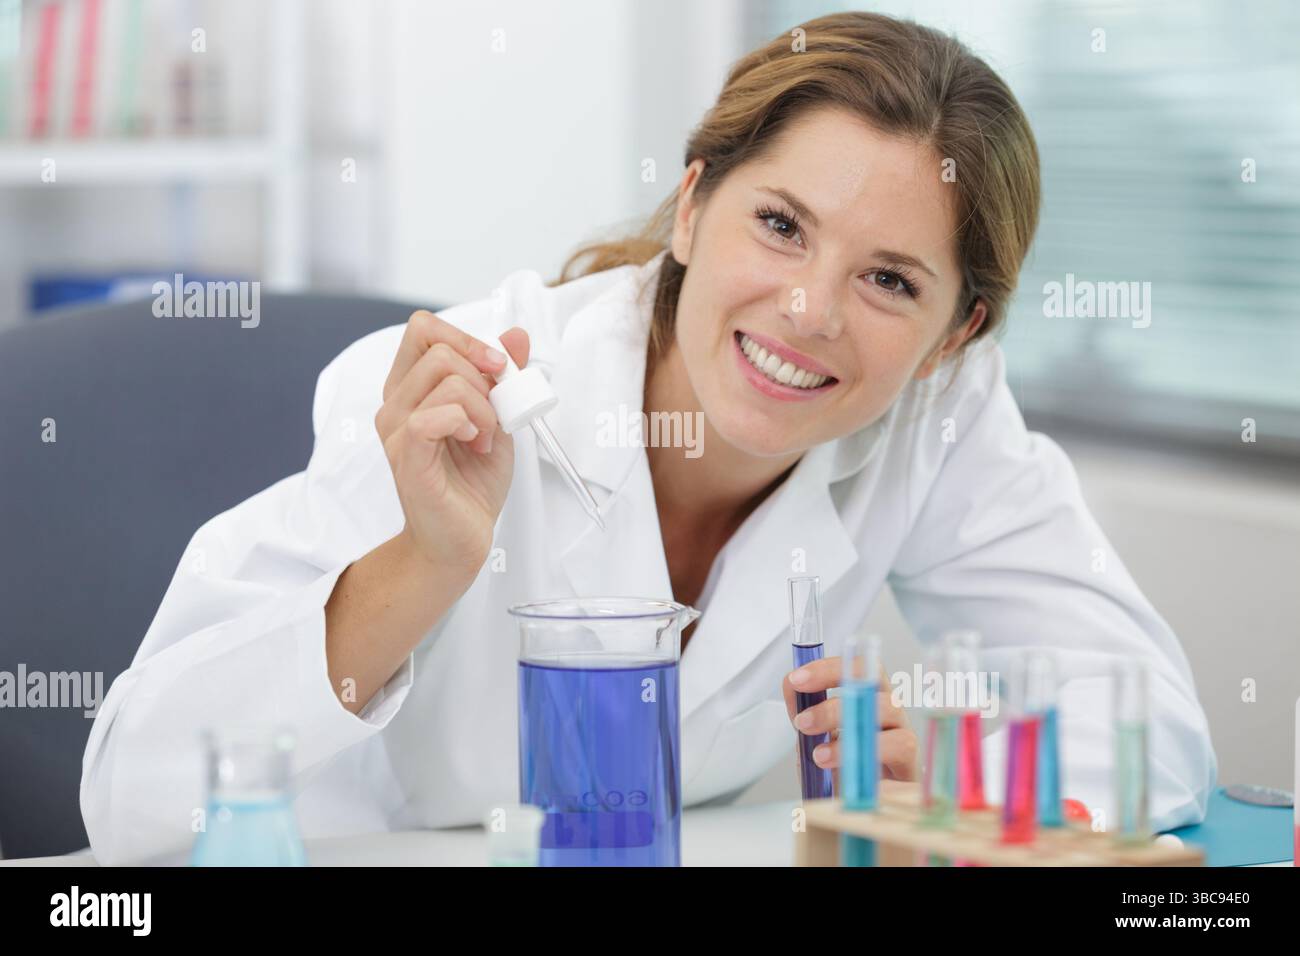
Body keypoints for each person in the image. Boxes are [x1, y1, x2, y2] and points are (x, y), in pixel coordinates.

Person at [81, 11, 1215, 865]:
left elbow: (1152, 726)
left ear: (954, 333)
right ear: (689, 208)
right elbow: (129, 787)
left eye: (887, 278)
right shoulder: (464, 392)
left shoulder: (940, 416)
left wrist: (968, 766)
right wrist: (426, 562)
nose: (810, 309)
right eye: (779, 225)